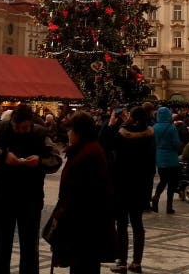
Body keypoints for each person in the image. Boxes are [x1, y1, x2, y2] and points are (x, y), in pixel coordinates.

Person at [0, 103, 62, 274]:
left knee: (30, 249)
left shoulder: (40, 133)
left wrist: (39, 161)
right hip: (2, 196)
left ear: (31, 123)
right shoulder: (1, 128)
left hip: (30, 197)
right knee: (0, 249)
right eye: (17, 127)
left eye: (24, 128)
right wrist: (3, 156)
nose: (20, 131)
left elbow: (55, 159)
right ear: (12, 122)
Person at [48, 111, 115, 274]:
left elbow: (80, 192)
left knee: (84, 265)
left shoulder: (88, 153)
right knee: (83, 265)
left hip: (84, 225)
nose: (68, 134)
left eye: (70, 130)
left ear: (79, 132)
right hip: (84, 224)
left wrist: (62, 213)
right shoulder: (85, 149)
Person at [102, 105, 155, 274]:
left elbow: (104, 144)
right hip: (140, 186)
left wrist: (111, 124)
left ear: (132, 118)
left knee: (122, 224)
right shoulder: (149, 136)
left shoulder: (122, 134)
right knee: (138, 224)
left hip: (122, 185)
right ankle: (137, 262)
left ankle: (122, 262)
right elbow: (151, 166)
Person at [151, 106, 182, 214]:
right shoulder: (171, 128)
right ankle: (169, 206)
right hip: (171, 158)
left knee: (163, 180)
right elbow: (176, 143)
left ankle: (156, 197)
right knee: (172, 183)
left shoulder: (154, 127)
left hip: (159, 157)